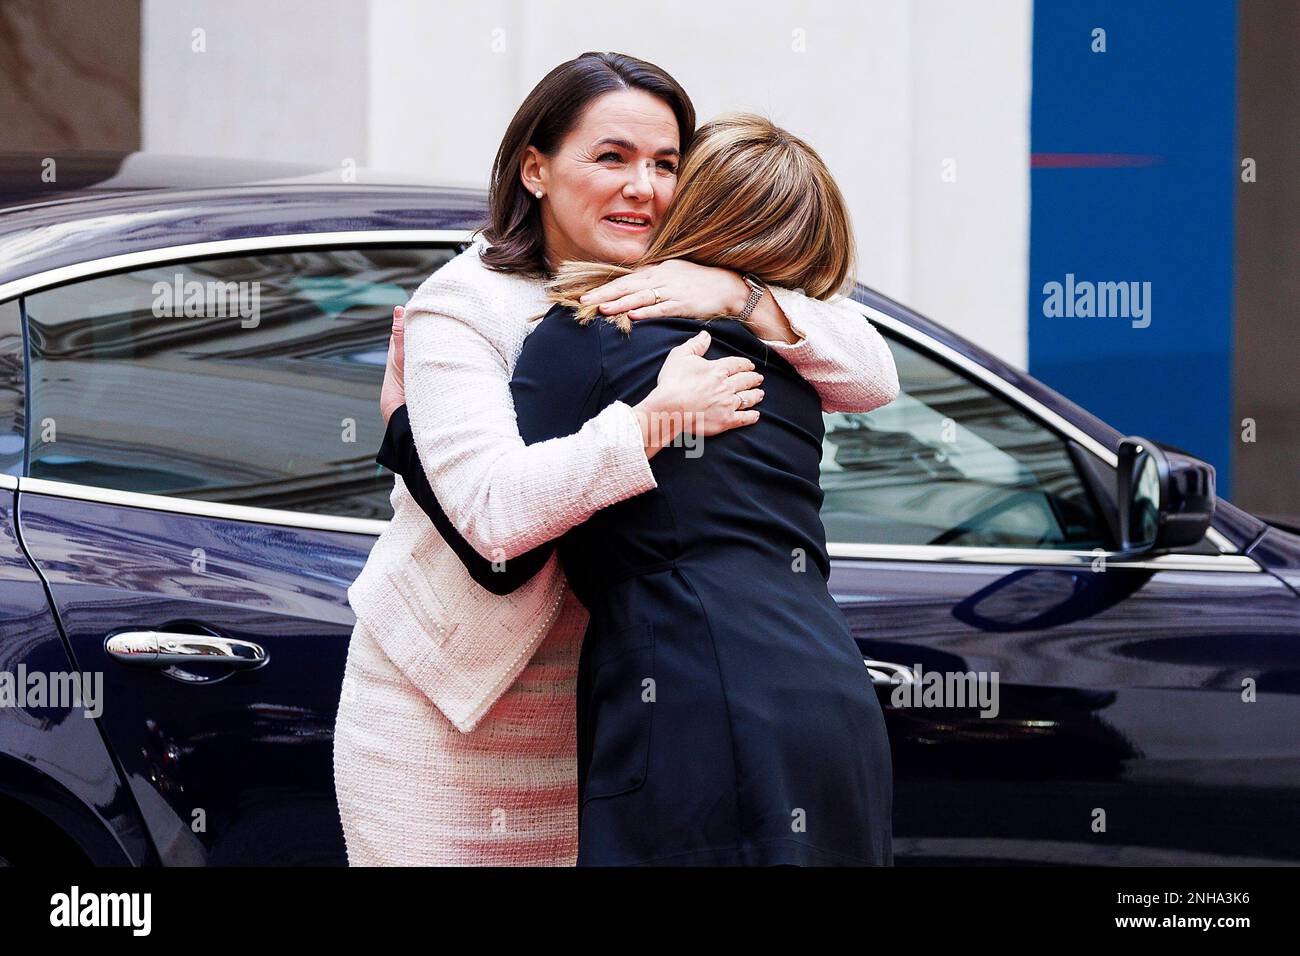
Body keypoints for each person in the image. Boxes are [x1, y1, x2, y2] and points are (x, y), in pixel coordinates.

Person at [334, 52, 899, 865]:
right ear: (536, 167)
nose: (644, 187)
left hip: (604, 711)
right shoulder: (467, 304)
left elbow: (873, 375)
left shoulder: (692, 289)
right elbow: (494, 516)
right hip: (451, 707)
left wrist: (742, 296)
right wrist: (650, 423)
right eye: (612, 157)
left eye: (667, 164)